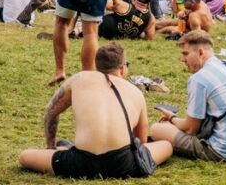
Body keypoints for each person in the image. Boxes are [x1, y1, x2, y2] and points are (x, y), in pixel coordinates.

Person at [21, 42, 173, 178]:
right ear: (122, 68)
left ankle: (62, 148)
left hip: (81, 163)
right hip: (123, 164)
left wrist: (50, 147)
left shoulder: (79, 79)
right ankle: (65, 148)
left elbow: (50, 112)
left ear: (97, 66)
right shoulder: (136, 92)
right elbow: (141, 142)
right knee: (166, 146)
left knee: (24, 156)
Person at [149, 30, 226, 162]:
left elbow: (190, 129)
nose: (182, 59)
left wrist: (171, 118)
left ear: (200, 52)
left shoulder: (199, 78)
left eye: (185, 54)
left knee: (156, 129)